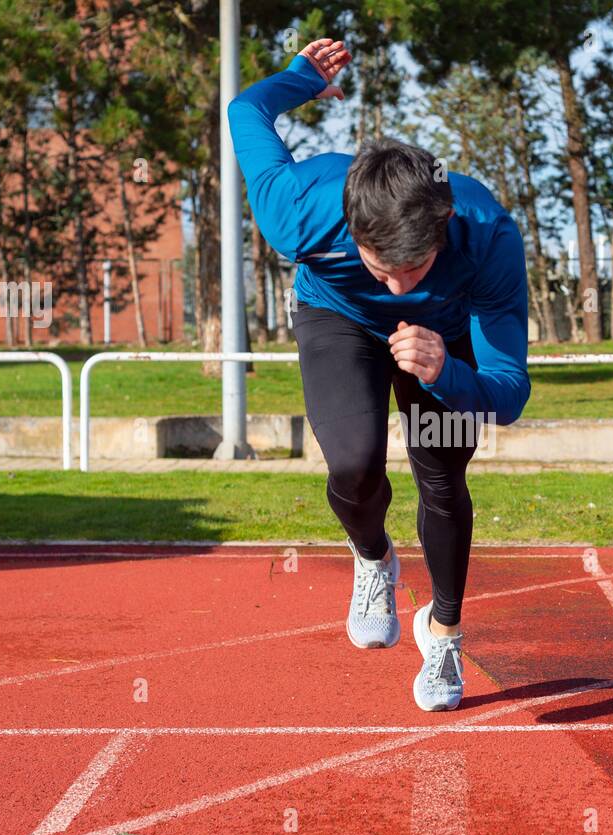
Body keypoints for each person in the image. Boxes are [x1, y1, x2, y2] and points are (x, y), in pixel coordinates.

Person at [228, 38, 531, 711]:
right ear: (351, 228)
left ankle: (444, 632)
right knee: (354, 465)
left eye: (414, 267)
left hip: (447, 339)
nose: (397, 285)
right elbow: (246, 110)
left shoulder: (487, 236)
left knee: (443, 475)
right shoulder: (299, 206)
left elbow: (508, 394)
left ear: (443, 226)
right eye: (380, 265)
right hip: (338, 318)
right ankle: (374, 559)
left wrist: (448, 369)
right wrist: (302, 78)